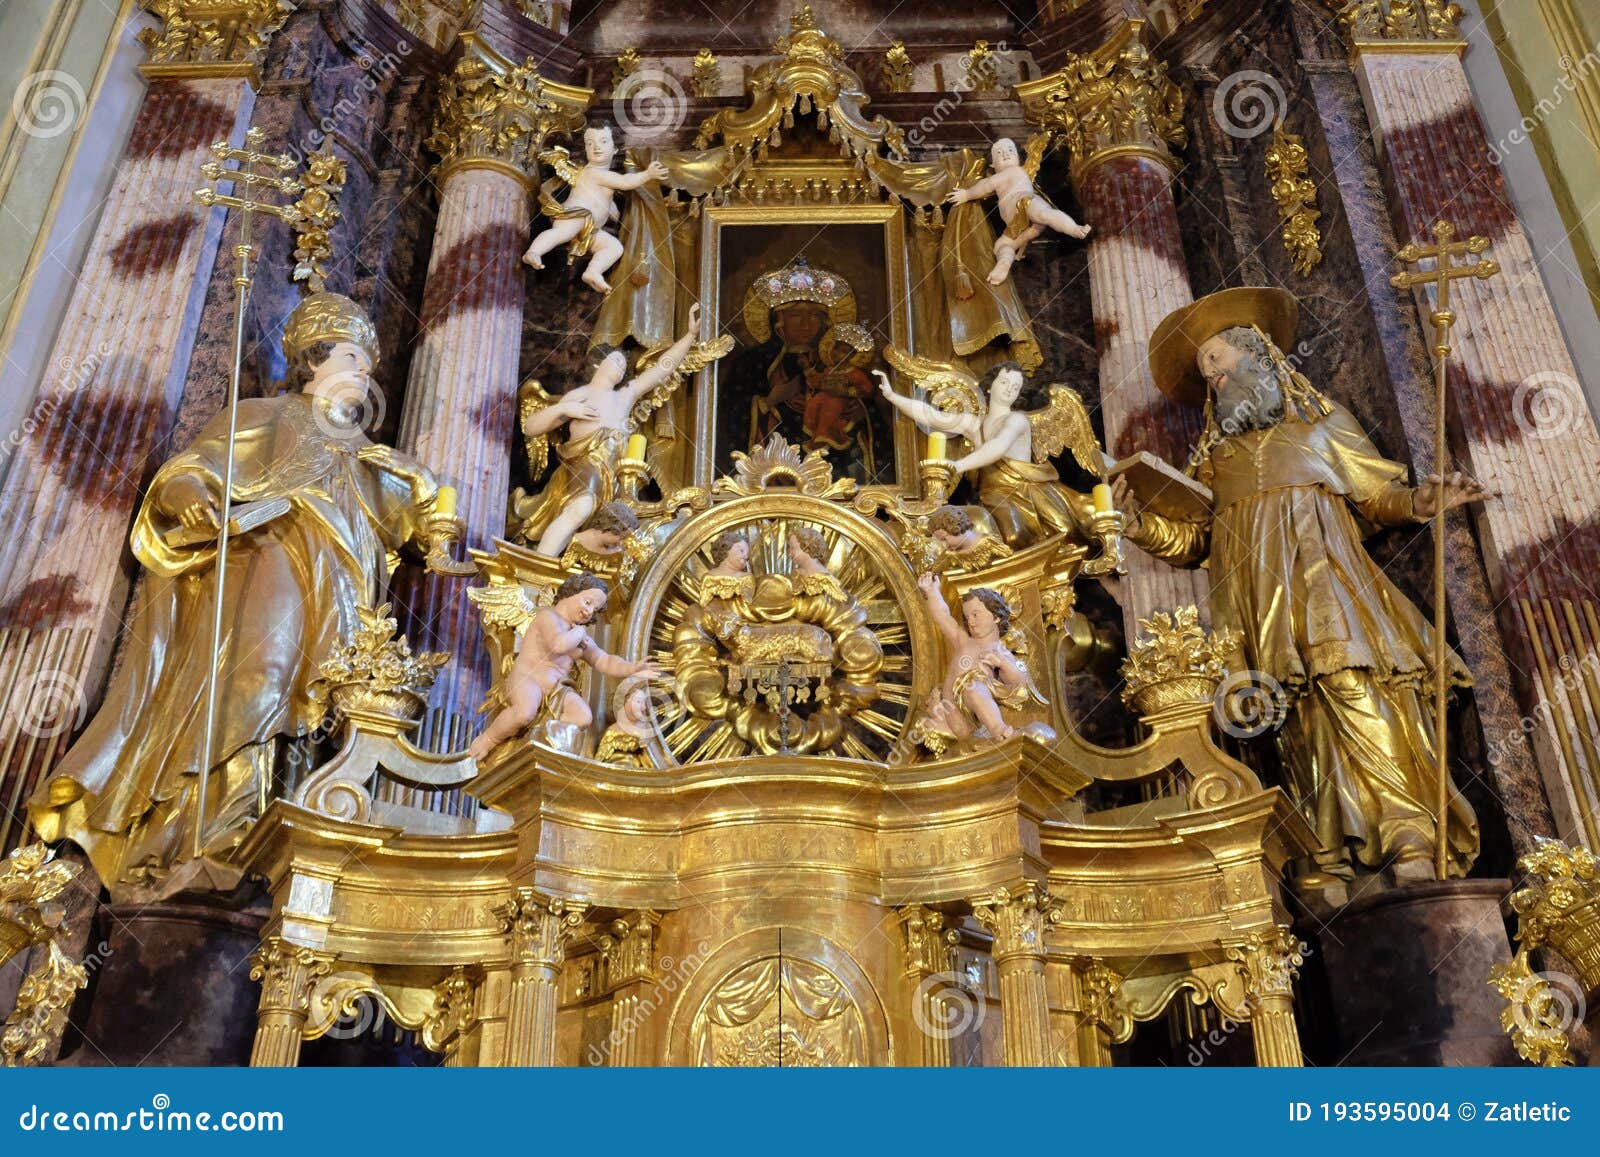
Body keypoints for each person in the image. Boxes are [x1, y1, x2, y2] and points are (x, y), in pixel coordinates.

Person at [29, 293, 450, 893]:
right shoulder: (264, 415)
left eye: (368, 364)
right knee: (258, 679)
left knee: (324, 704)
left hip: (347, 594)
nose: (364, 373)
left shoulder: (370, 455)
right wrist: (191, 494)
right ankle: (216, 826)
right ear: (313, 360)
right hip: (269, 565)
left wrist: (434, 511)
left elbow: (419, 517)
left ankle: (287, 823)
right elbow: (192, 470)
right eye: (352, 358)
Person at [1118, 286, 1484, 883]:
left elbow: (1378, 496)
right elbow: (1194, 543)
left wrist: (1422, 501)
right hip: (1255, 614)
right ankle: (1329, 855)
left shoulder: (1323, 424)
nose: (1211, 376)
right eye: (1204, 371)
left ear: (1256, 352)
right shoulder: (1214, 459)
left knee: (1355, 686)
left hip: (1327, 587)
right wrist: (1138, 526)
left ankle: (1409, 836)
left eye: (1216, 359)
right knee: (1292, 721)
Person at [517, 305, 701, 557]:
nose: (621, 367)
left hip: (612, 476)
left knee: (607, 530)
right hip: (585, 466)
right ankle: (540, 563)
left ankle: (559, 557)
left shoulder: (624, 396)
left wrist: (690, 336)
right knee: (580, 508)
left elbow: (662, 368)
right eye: (616, 360)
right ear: (598, 364)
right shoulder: (580, 395)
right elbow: (531, 427)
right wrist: (566, 408)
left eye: (624, 366)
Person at [467, 573, 657, 761]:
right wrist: (579, 633)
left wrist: (633, 669)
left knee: (583, 717)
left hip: (555, 689)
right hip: (528, 679)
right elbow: (558, 645)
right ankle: (488, 739)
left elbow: (604, 660)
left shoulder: (578, 635)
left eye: (595, 610)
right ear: (571, 592)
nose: (589, 611)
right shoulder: (548, 617)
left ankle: (544, 738)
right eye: (588, 602)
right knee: (525, 712)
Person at [946, 137, 1091, 286]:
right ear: (992, 164)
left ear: (1019, 160)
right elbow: (985, 185)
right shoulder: (1002, 175)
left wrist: (967, 194)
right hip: (1023, 223)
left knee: (1045, 214)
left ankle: (1074, 229)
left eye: (1010, 150)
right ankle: (1004, 263)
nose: (1005, 154)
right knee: (1002, 245)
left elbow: (985, 186)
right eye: (999, 153)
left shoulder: (1015, 171)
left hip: (1024, 202)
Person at [916, 573, 1042, 742]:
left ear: (996, 617)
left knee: (973, 687)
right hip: (949, 710)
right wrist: (932, 591)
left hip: (970, 711)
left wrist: (1002, 664)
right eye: (967, 617)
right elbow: (943, 616)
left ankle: (999, 730)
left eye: (976, 615)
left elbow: (1019, 681)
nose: (971, 622)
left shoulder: (1000, 651)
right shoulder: (963, 640)